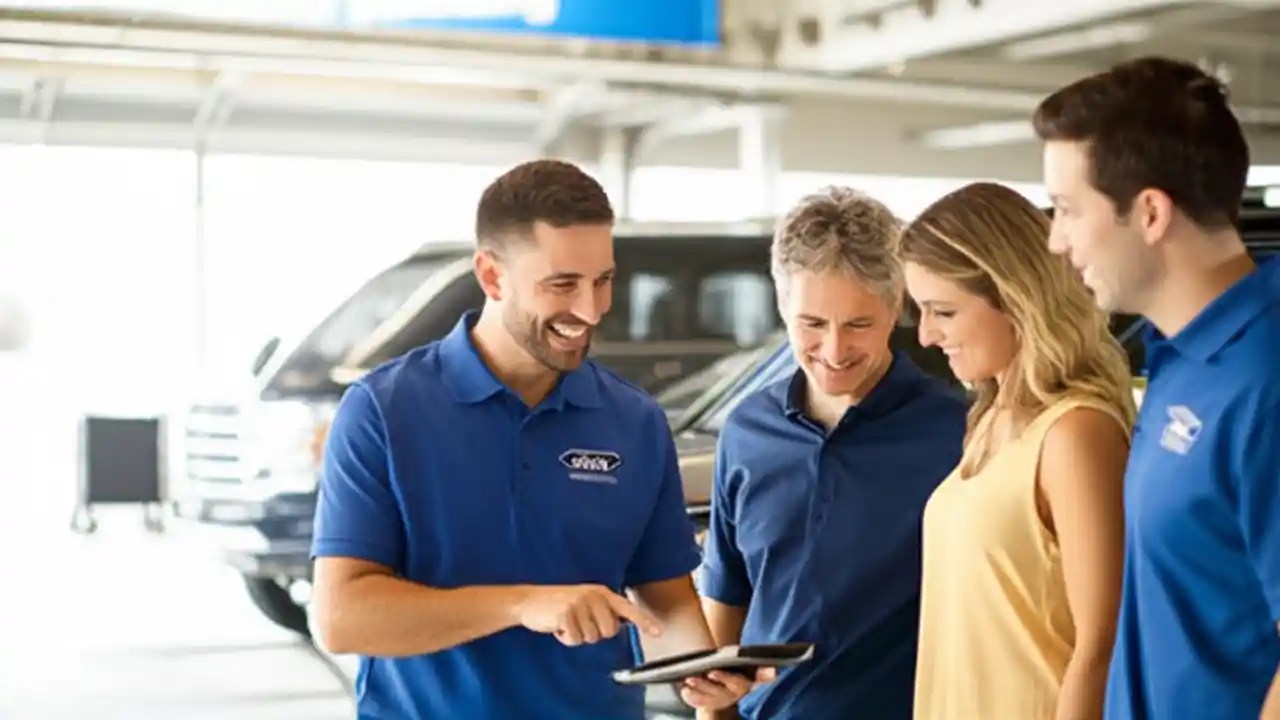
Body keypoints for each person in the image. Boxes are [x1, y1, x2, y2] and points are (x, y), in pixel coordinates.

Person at [310, 159, 769, 719]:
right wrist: (525, 604)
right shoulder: (383, 411)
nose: (590, 309)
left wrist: (702, 672)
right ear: (491, 276)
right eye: (562, 285)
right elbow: (342, 617)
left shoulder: (634, 421)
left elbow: (664, 601)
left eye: (603, 281)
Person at [1033, 55, 1280, 720]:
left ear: (1149, 213)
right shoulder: (1179, 356)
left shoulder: (1265, 380)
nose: (1058, 241)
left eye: (1066, 210)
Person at [697, 187, 968, 719]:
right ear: (782, 308)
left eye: (859, 325)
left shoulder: (957, 431)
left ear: (896, 307)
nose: (835, 351)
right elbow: (728, 594)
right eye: (812, 324)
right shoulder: (748, 430)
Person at [900, 182, 1136, 720]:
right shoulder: (988, 421)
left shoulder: (1076, 434)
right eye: (922, 313)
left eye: (944, 312)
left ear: (1015, 298)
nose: (929, 336)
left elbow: (1101, 646)